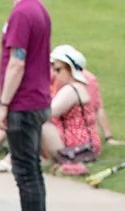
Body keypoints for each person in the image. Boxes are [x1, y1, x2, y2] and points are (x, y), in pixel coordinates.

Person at [0, 0, 53, 211]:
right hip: (37, 99)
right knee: (32, 171)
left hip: (23, 102)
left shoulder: (21, 12)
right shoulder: (38, 9)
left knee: (25, 172)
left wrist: (4, 103)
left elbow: (17, 62)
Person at [42, 46, 101, 174]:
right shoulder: (73, 87)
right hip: (80, 139)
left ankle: (18, 159)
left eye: (58, 70)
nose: (54, 74)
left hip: (80, 145)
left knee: (38, 122)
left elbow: (49, 113)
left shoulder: (72, 89)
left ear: (70, 70)